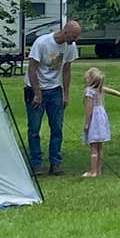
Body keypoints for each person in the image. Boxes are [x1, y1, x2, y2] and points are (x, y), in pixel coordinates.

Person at [27, 20, 82, 176]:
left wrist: (66, 94)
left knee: (57, 128)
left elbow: (66, 70)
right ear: (65, 32)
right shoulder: (42, 42)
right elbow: (32, 68)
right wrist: (37, 93)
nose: (75, 40)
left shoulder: (70, 47)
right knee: (34, 128)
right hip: (35, 89)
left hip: (55, 90)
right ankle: (36, 164)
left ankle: (55, 163)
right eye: (73, 36)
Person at [80, 67, 120, 178]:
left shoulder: (89, 91)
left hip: (94, 119)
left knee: (93, 147)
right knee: (100, 146)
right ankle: (99, 170)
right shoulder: (99, 88)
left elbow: (89, 109)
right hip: (102, 118)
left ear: (90, 79)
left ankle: (93, 172)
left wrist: (87, 123)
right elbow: (111, 91)